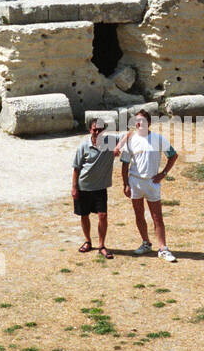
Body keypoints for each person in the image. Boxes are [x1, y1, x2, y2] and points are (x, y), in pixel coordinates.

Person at [117, 109, 178, 262]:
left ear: (149, 123)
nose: (139, 123)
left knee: (157, 216)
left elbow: (173, 155)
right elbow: (125, 164)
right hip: (135, 182)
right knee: (139, 213)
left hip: (152, 182)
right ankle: (145, 243)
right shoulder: (131, 140)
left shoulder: (158, 139)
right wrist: (125, 184)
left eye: (142, 121)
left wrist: (163, 174)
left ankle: (163, 248)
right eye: (137, 121)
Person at [72, 117, 116, 259]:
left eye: (100, 129)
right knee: (84, 216)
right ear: (90, 130)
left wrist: (118, 148)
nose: (97, 132)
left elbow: (128, 136)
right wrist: (74, 188)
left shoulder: (110, 143)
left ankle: (102, 245)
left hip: (100, 188)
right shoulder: (83, 147)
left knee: (102, 216)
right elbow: (76, 168)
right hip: (83, 186)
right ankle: (88, 241)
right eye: (94, 129)